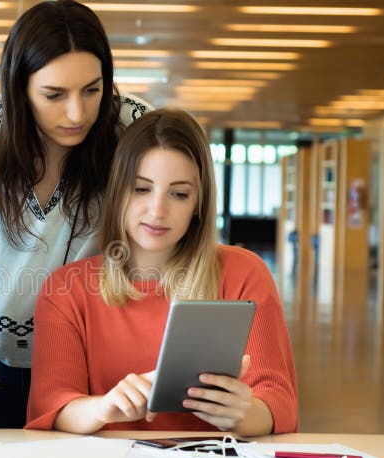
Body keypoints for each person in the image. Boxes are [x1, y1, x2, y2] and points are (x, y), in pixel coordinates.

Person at [26, 109, 298, 435]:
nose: (157, 211)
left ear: (199, 203)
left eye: (179, 194)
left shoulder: (243, 273)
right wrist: (103, 408)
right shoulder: (67, 289)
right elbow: (50, 408)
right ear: (117, 193)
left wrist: (245, 413)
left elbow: (278, 403)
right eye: (141, 189)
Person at [0, 0, 150, 428]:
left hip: (93, 363)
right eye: (54, 95)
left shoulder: (133, 128)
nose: (77, 113)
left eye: (92, 90)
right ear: (18, 88)